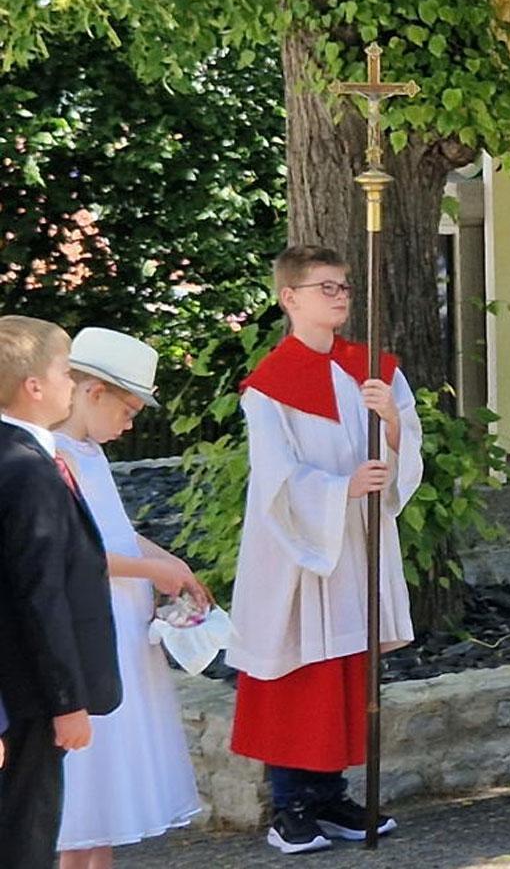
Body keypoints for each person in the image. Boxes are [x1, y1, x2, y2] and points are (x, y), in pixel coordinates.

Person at [225, 247, 424, 854]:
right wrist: (341, 489)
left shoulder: (374, 370)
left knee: (345, 667)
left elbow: (407, 445)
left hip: (355, 546)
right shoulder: (269, 387)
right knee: (299, 671)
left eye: (344, 287)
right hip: (299, 550)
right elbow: (276, 478)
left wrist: (390, 424)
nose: (339, 296)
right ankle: (289, 807)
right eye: (326, 287)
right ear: (290, 298)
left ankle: (331, 795)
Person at [54, 328, 207, 866]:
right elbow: (74, 553)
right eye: (129, 406)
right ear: (93, 390)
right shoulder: (51, 456)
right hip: (89, 623)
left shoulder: (89, 452)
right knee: (87, 778)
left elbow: (112, 531)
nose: (132, 421)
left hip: (121, 623)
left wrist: (170, 561)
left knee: (108, 782)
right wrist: (150, 569)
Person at [0, 316, 121, 867]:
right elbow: (38, 593)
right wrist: (66, 702)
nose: (72, 384)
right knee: (25, 834)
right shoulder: (26, 470)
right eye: (64, 372)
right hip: (26, 695)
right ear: (34, 386)